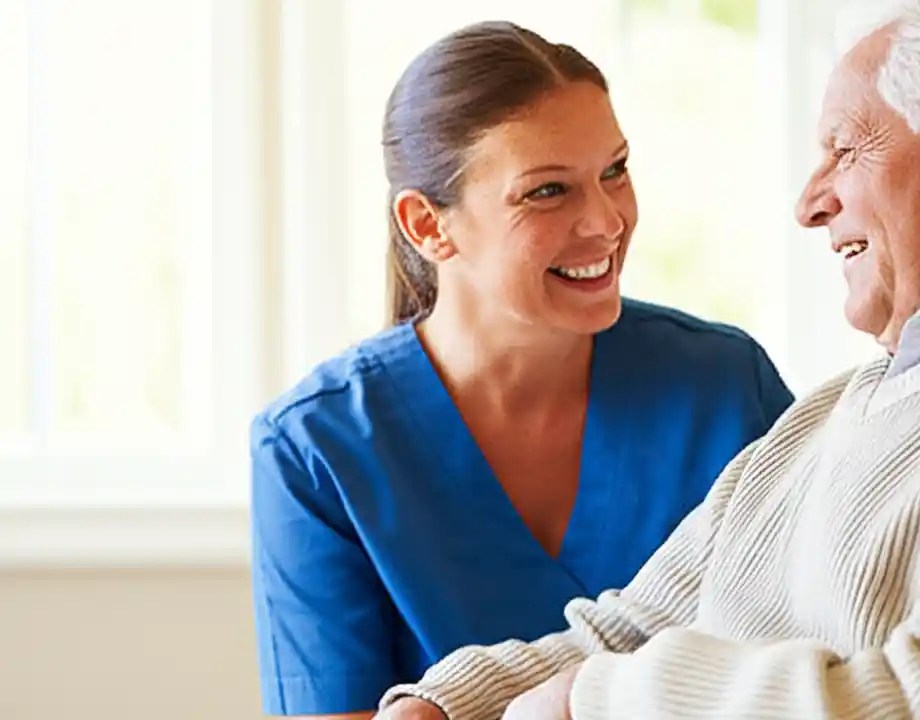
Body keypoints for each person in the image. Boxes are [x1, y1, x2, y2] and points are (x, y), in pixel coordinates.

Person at [375, 2, 920, 719]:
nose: (810, 201)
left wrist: (596, 701)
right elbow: (632, 628)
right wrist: (445, 707)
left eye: (846, 147)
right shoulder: (831, 409)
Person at [249, 21, 793, 718]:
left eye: (615, 172)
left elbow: (815, 652)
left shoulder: (727, 388)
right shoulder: (315, 449)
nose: (605, 221)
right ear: (426, 225)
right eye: (547, 192)